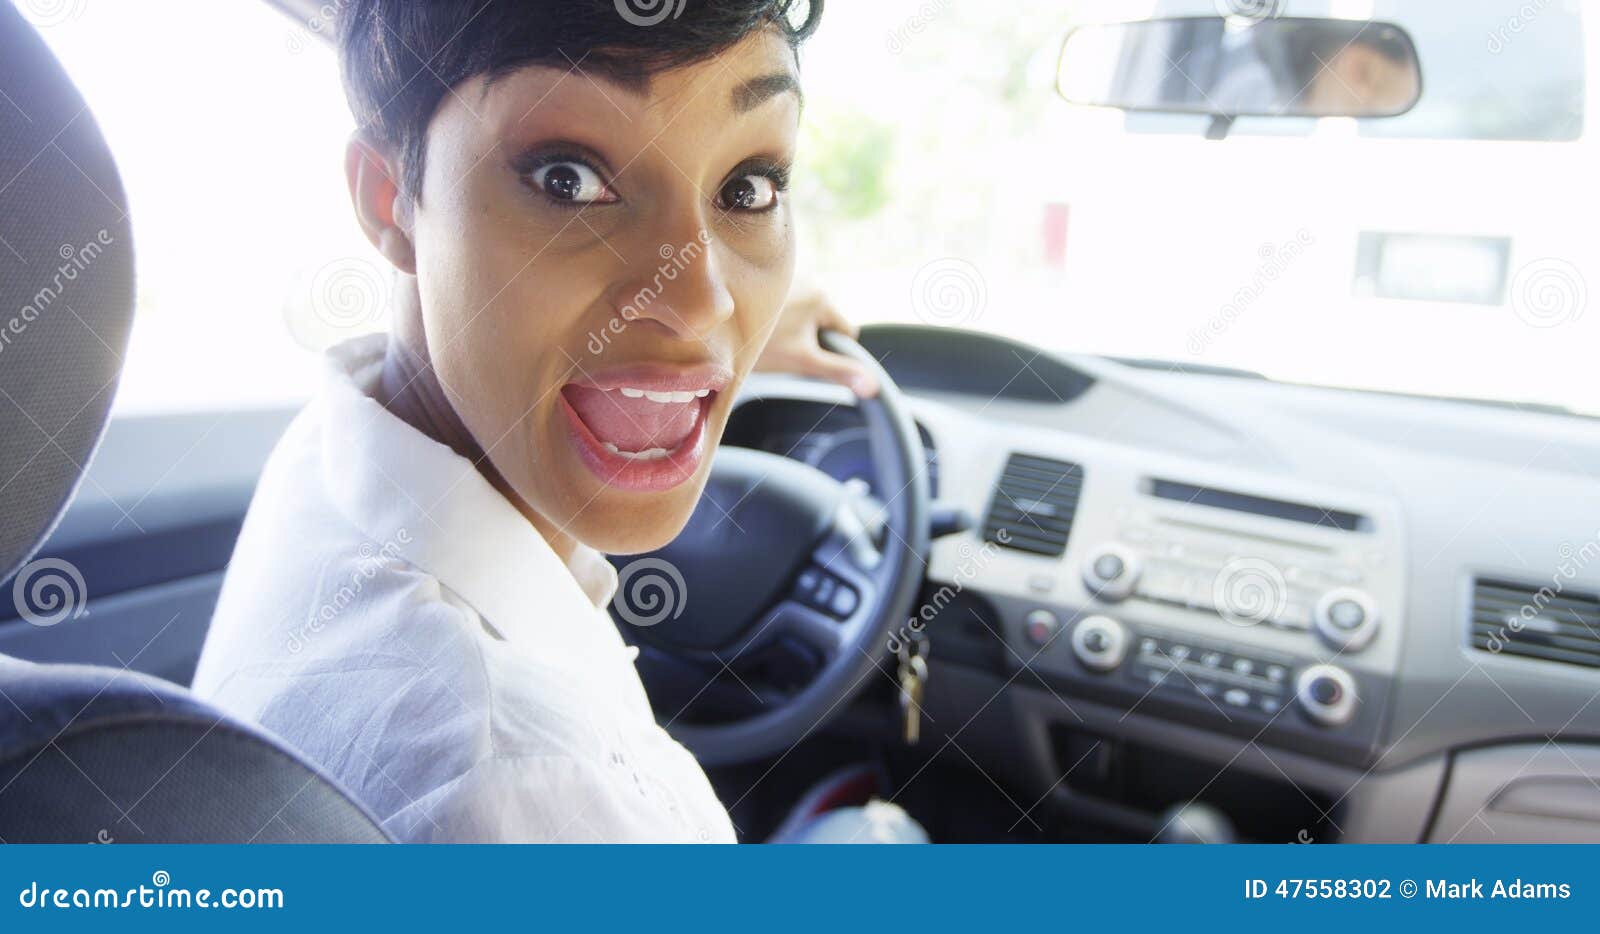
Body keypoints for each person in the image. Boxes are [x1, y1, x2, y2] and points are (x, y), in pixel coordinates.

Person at [192, 0, 919, 843]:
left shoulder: (339, 447)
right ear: (392, 199)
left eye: (746, 189)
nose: (699, 302)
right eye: (568, 180)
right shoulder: (517, 786)